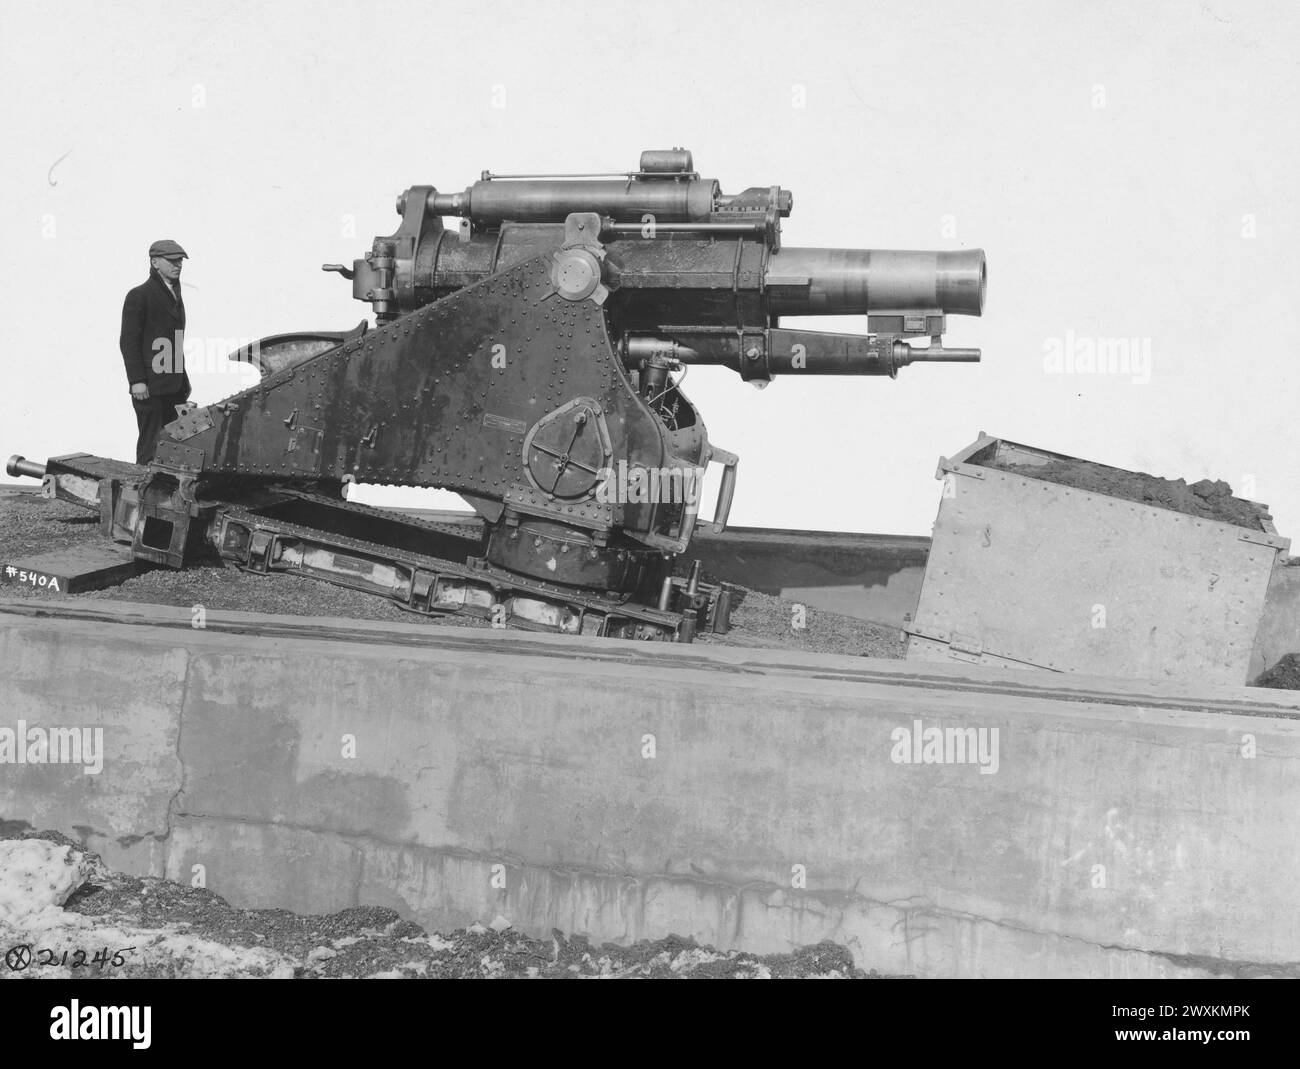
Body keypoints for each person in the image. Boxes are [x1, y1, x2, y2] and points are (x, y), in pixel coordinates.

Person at [120, 239, 192, 464]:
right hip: (150, 387)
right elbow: (128, 341)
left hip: (174, 385)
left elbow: (175, 342)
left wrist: (183, 380)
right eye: (172, 260)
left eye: (180, 260)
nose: (178, 265)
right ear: (155, 262)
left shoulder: (175, 294)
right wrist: (137, 381)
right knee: (151, 445)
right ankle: (142, 485)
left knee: (174, 445)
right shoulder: (139, 295)